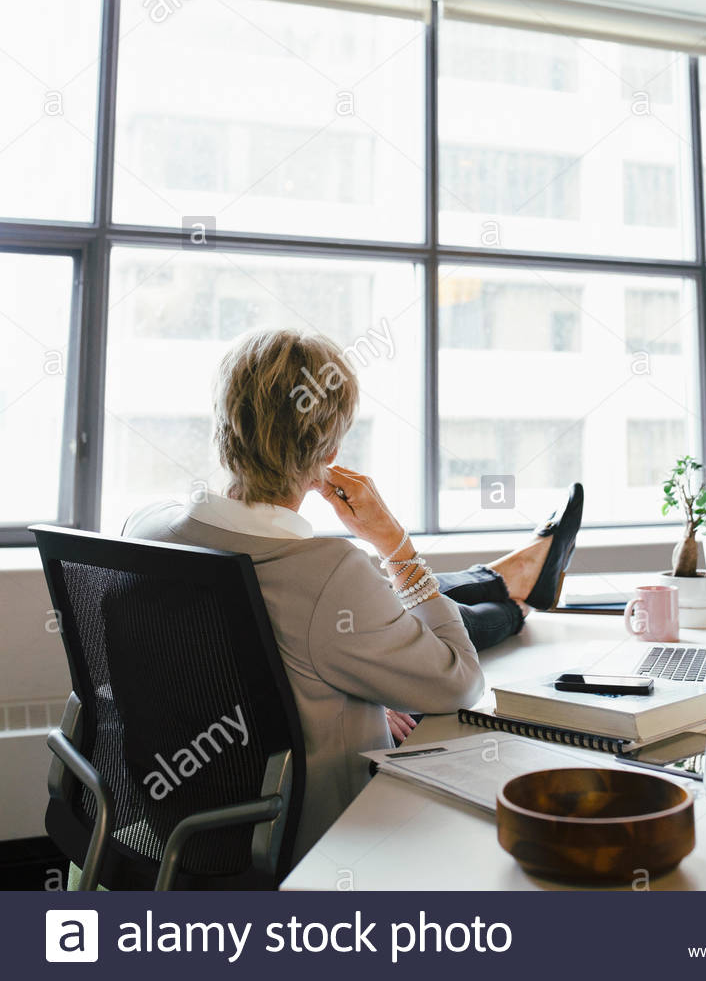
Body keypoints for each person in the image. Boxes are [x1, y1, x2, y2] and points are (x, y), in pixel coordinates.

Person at [124, 328, 584, 862]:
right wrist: (393, 541)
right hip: (301, 836)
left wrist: (337, 704)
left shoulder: (144, 529)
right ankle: (519, 592)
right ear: (332, 450)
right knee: (416, 602)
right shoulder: (331, 571)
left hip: (173, 817)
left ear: (223, 424)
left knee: (400, 603)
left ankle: (514, 584)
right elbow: (461, 680)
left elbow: (215, 659)